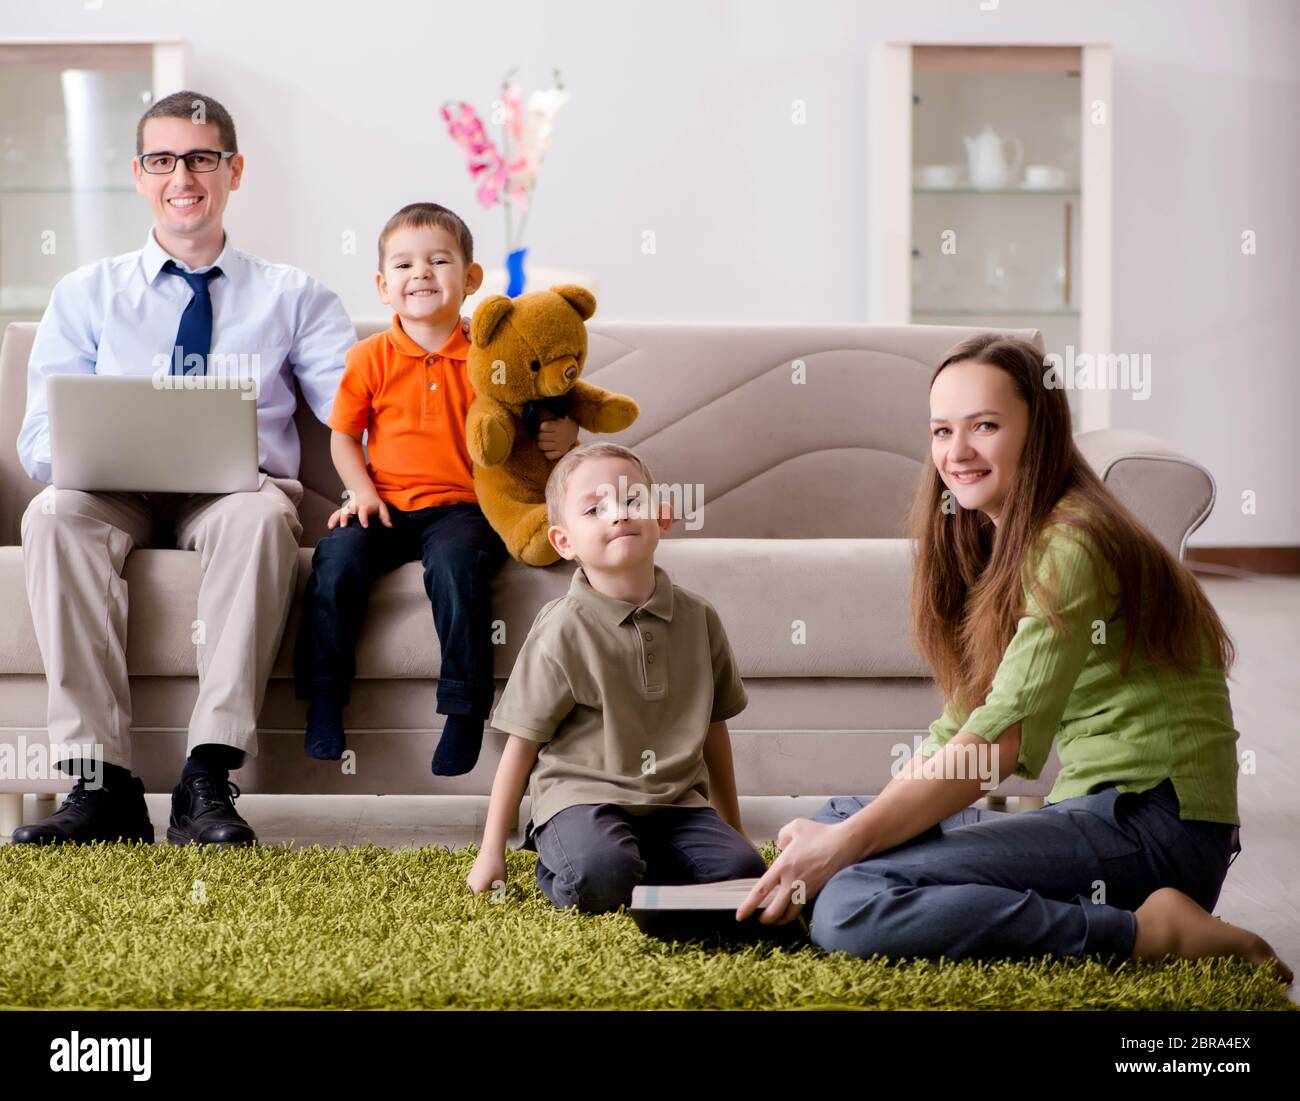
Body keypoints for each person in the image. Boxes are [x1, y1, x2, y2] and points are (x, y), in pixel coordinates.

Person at [736, 334, 1293, 985]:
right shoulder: (1008, 541)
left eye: (985, 426)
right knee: (838, 818)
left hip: (1158, 833)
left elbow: (993, 747)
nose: (957, 452)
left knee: (852, 902)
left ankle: (1150, 931)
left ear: (1040, 431)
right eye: (942, 430)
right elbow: (962, 724)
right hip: (1092, 813)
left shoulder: (1074, 542)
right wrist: (848, 834)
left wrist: (847, 849)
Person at [14, 90, 356, 847]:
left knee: (262, 515)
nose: (183, 177)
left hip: (231, 491)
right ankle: (99, 783)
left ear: (234, 169)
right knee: (53, 512)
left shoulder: (295, 296)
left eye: (201, 158)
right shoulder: (86, 292)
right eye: (163, 159)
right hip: (114, 490)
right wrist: (92, 448)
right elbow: (36, 439)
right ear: (139, 174)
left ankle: (207, 776)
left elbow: (355, 413)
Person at [292, 202, 578, 773]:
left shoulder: (492, 357)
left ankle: (465, 709)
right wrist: (361, 493)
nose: (420, 273)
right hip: (386, 505)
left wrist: (567, 432)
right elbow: (343, 438)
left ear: (471, 279)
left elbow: (546, 408)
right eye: (403, 265)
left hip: (465, 508)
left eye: (438, 261)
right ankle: (324, 699)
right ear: (383, 286)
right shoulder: (368, 358)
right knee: (336, 560)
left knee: (455, 567)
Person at [466, 442, 766, 910]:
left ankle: (640, 862)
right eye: (595, 509)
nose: (619, 514)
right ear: (563, 542)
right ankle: (576, 856)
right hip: (581, 798)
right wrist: (491, 851)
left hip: (675, 804)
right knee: (601, 875)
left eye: (632, 500)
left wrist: (734, 827)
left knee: (742, 874)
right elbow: (521, 745)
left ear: (661, 518)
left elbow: (714, 727)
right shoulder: (562, 627)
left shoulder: (699, 617)